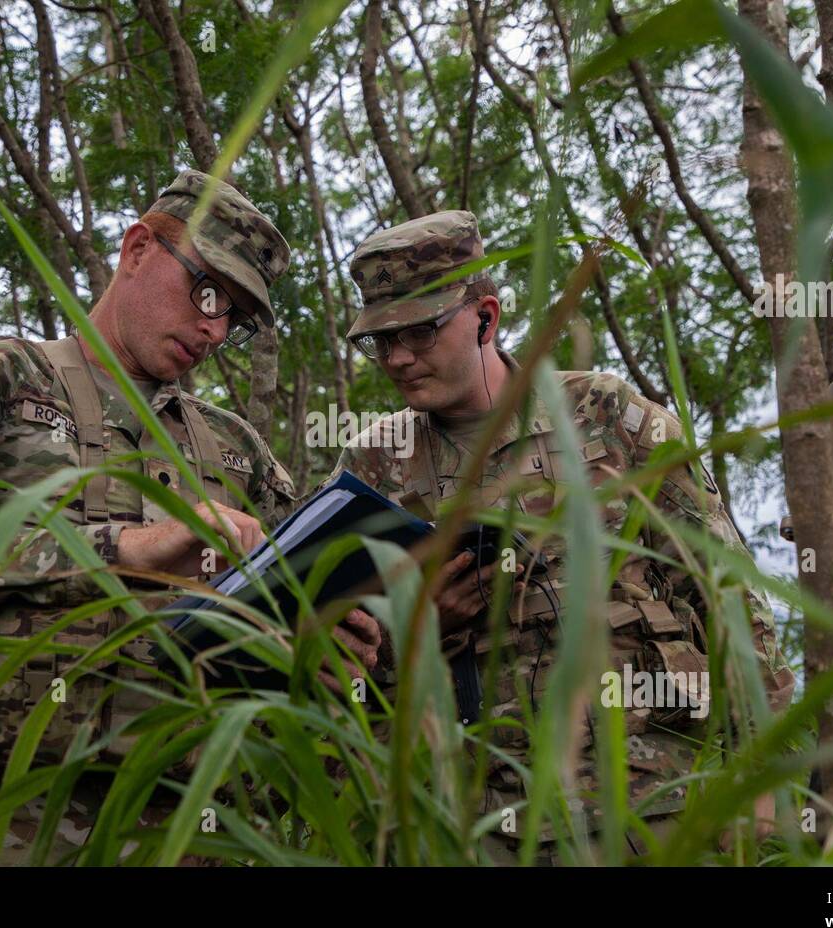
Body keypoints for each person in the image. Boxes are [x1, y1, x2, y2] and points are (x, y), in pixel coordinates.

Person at [0, 170, 380, 865]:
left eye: (236, 318)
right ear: (136, 250)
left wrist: (329, 638)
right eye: (208, 292)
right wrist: (123, 547)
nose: (215, 328)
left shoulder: (236, 450)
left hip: (181, 835)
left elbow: (293, 600)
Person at [329, 210, 795, 863]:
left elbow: (730, 596)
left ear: (486, 318)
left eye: (419, 332)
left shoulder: (609, 417)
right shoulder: (373, 466)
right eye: (380, 341)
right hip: (472, 825)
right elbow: (335, 661)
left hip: (649, 809)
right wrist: (416, 629)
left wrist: (763, 788)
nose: (398, 358)